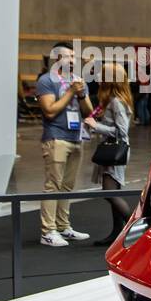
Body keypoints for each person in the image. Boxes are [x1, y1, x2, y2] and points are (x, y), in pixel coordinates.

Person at [35, 42, 93, 246]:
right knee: (53, 186)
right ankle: (48, 232)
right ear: (57, 59)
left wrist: (82, 93)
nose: (73, 60)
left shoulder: (76, 80)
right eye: (68, 56)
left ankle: (63, 226)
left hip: (76, 138)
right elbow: (49, 110)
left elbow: (89, 111)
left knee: (67, 186)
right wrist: (70, 92)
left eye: (74, 57)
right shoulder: (46, 81)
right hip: (56, 138)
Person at [84, 64, 134, 246]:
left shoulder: (116, 102)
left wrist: (96, 126)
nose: (98, 77)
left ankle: (136, 229)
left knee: (110, 192)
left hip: (115, 152)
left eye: (102, 74)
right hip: (112, 151)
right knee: (113, 192)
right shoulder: (113, 99)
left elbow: (122, 132)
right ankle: (117, 232)